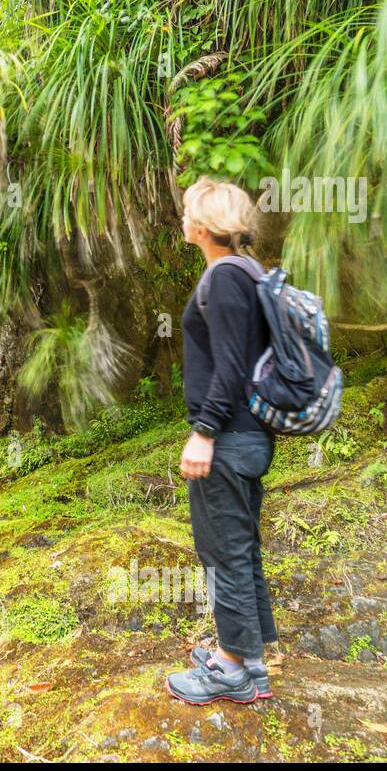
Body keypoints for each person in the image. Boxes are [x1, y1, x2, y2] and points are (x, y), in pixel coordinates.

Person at [165, 176, 276, 706]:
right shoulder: (245, 272)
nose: (182, 216)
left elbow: (230, 366)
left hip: (229, 438)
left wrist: (204, 432)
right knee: (239, 549)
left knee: (223, 554)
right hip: (247, 437)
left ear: (203, 226)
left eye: (187, 210)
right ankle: (248, 657)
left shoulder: (226, 277)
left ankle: (231, 669)